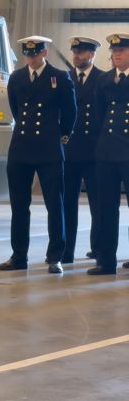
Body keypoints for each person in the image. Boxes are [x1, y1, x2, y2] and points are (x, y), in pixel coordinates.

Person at [0, 36, 76, 275]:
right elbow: (15, 109)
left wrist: (61, 135)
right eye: (28, 54)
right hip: (21, 148)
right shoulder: (16, 78)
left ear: (44, 53)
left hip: (49, 149)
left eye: (35, 54)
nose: (31, 59)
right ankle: (19, 256)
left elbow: (70, 112)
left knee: (55, 205)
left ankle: (55, 257)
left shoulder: (60, 78)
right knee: (19, 205)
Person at [88, 33, 129, 275]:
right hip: (106, 152)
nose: (117, 54)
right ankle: (106, 261)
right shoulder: (104, 80)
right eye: (114, 51)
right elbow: (99, 114)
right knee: (106, 208)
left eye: (122, 50)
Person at [62, 37, 104, 263]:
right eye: (75, 51)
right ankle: (66, 251)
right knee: (67, 203)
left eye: (82, 52)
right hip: (69, 152)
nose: (77, 55)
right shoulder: (65, 78)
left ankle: (98, 248)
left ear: (92, 54)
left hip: (94, 151)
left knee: (98, 204)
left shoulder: (103, 79)